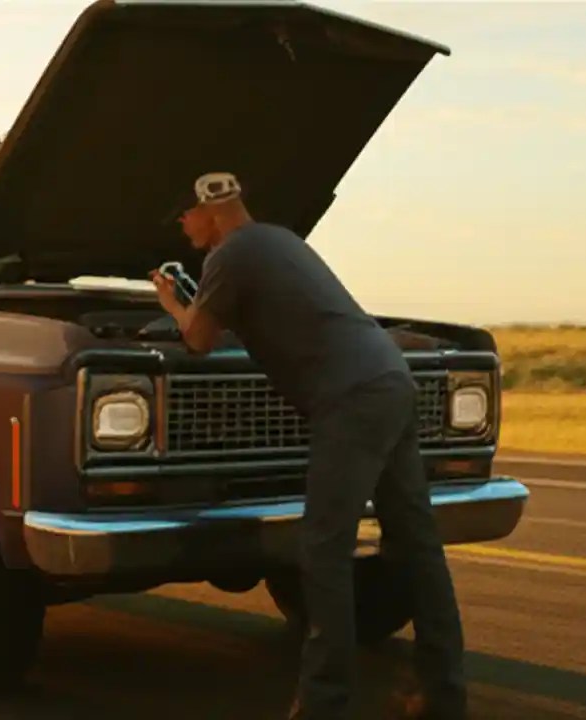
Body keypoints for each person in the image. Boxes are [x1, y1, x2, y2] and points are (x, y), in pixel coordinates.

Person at [149, 172, 467, 720]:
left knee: (322, 553)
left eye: (184, 217)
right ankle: (443, 691)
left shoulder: (228, 256)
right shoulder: (281, 240)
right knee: (418, 544)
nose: (183, 229)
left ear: (208, 211)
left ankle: (324, 703)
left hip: (349, 399)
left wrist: (172, 303)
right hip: (391, 379)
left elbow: (199, 340)